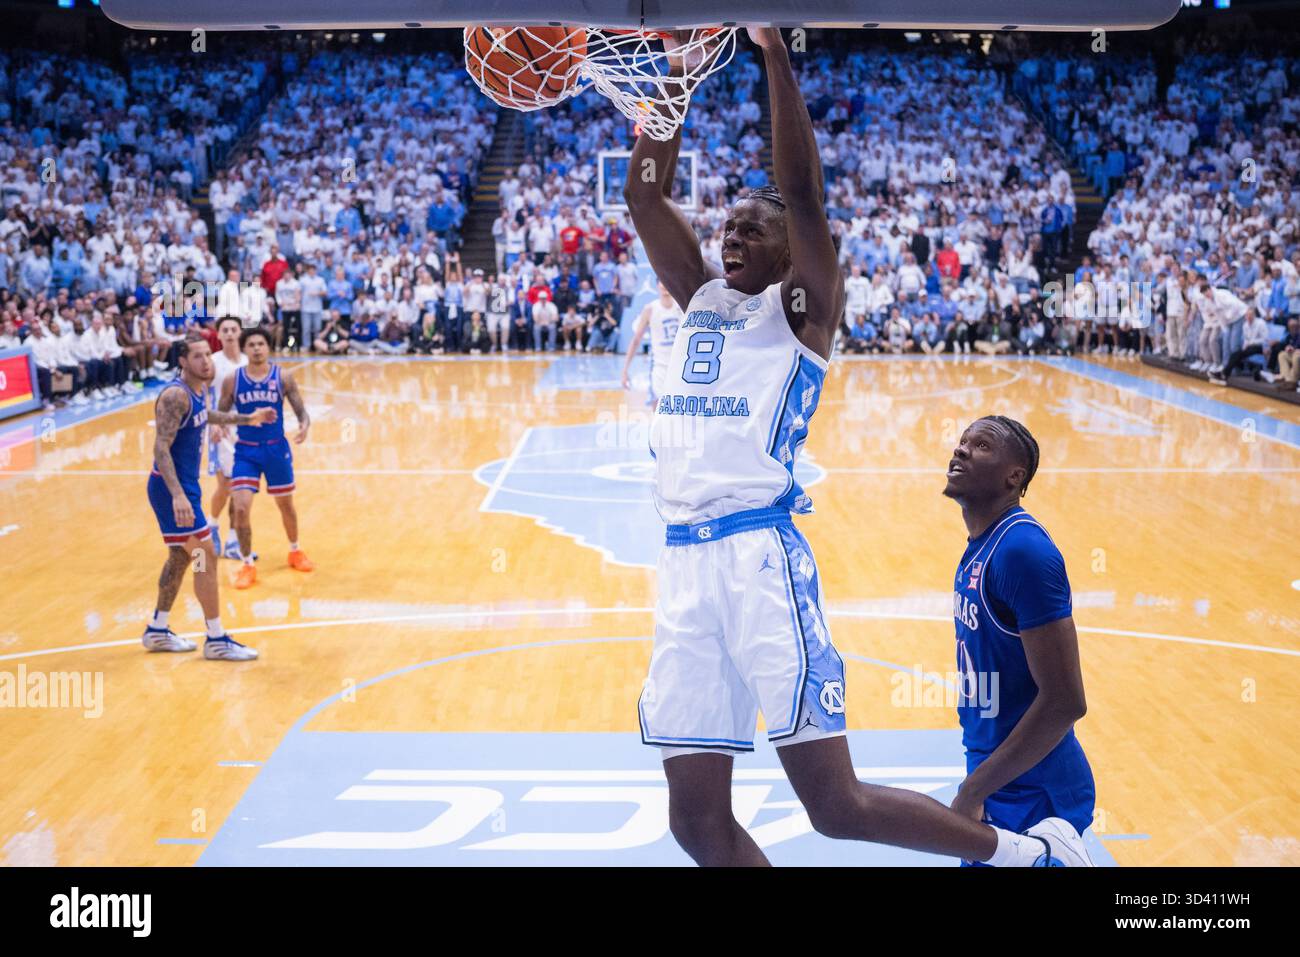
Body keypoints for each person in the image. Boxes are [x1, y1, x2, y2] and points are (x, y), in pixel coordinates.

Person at [623, 27, 1088, 868]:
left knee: (834, 805)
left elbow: (802, 192)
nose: (732, 237)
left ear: (794, 253)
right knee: (694, 823)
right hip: (682, 566)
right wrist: (674, 79)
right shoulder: (696, 298)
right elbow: (645, 200)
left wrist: (771, 52)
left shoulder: (801, 316)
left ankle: (1028, 858)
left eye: (753, 231)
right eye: (727, 225)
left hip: (757, 555)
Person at [942, 416, 1095, 864]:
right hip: (1000, 772)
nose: (962, 450)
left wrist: (974, 789)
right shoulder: (983, 543)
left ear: (1015, 476)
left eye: (982, 445)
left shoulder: (1022, 551)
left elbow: (1066, 700)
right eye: (962, 441)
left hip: (1034, 791)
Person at [143, 335, 273, 661]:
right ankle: (215, 637)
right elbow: (160, 448)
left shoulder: (197, 391)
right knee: (206, 554)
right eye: (197, 356)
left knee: (180, 557)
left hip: (185, 488)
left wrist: (247, 418)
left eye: (207, 355)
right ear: (183, 362)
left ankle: (157, 629)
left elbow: (207, 416)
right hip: (172, 491)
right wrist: (178, 497)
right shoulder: (175, 395)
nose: (206, 361)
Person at [220, 326, 315, 590]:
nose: (257, 348)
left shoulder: (282, 376)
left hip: (276, 449)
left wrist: (304, 424)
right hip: (246, 451)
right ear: (244, 349)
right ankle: (247, 563)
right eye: (251, 345)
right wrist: (219, 428)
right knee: (240, 508)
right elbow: (222, 412)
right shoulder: (233, 379)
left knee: (285, 505)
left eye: (261, 344)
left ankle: (295, 550)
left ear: (267, 347)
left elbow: (300, 409)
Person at [206, 316, 249, 559]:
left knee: (240, 488)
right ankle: (212, 525)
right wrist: (213, 422)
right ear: (219, 335)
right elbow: (201, 394)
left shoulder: (247, 361)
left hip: (243, 429)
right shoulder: (212, 363)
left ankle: (233, 539)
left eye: (234, 329)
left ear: (240, 333)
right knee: (226, 485)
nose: (230, 333)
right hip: (219, 430)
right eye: (226, 330)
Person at [620, 281, 683, 403]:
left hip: (680, 367)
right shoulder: (650, 309)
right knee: (658, 409)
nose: (665, 285)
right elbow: (636, 340)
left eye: (667, 281)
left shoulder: (681, 307)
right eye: (662, 282)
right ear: (657, 285)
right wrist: (625, 370)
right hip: (659, 367)